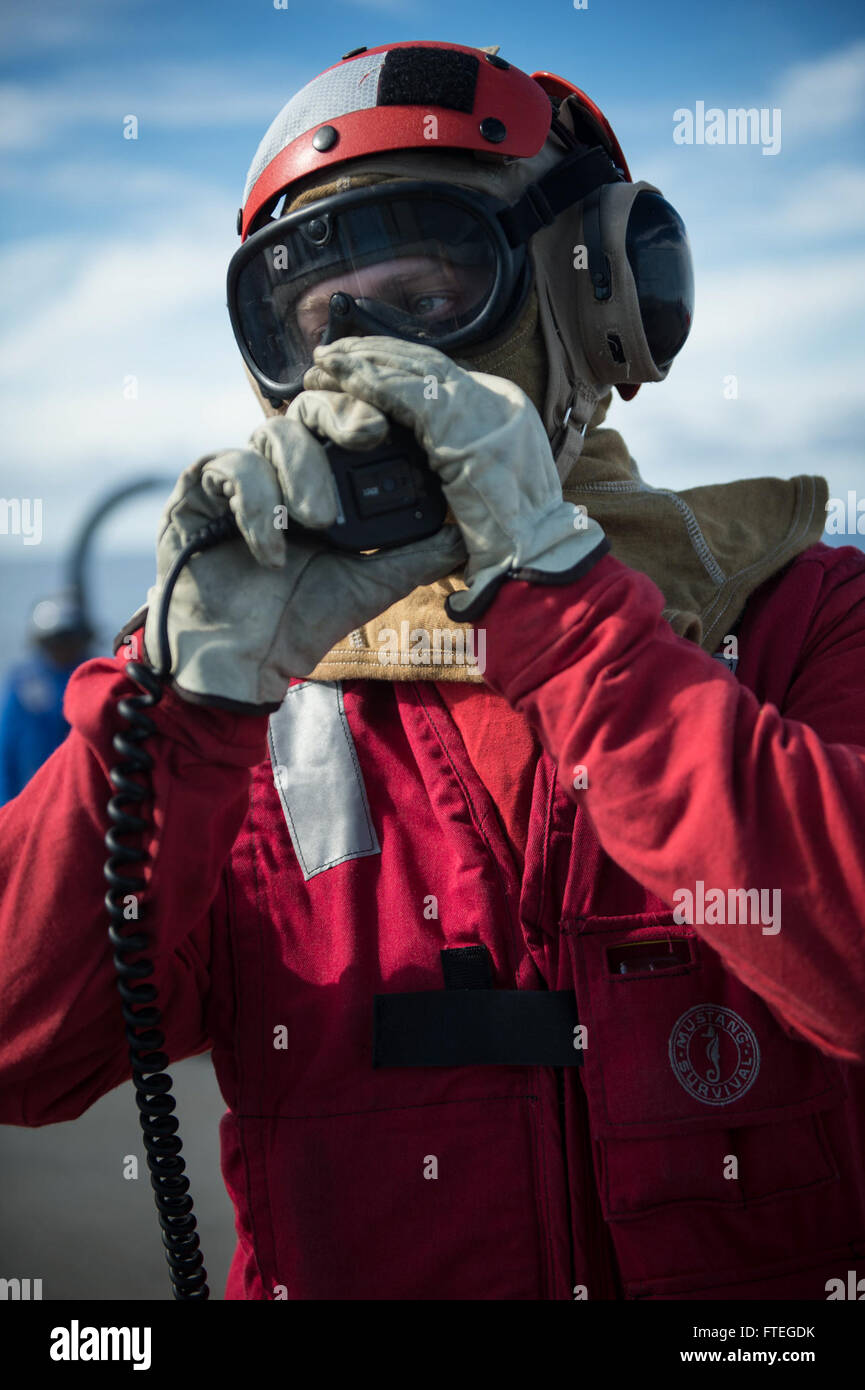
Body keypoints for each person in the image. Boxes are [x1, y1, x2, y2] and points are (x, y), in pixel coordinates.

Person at [1, 40, 863, 1302]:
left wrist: (558, 607)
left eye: (431, 293)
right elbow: (25, 1049)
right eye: (326, 325)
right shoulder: (237, 695)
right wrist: (175, 717)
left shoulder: (801, 614)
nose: (379, 368)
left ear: (605, 297)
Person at [0, 593, 92, 804]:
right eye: (55, 641)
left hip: (86, 798)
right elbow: (6, 754)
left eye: (69, 639)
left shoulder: (97, 680)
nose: (63, 648)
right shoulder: (23, 685)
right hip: (35, 800)